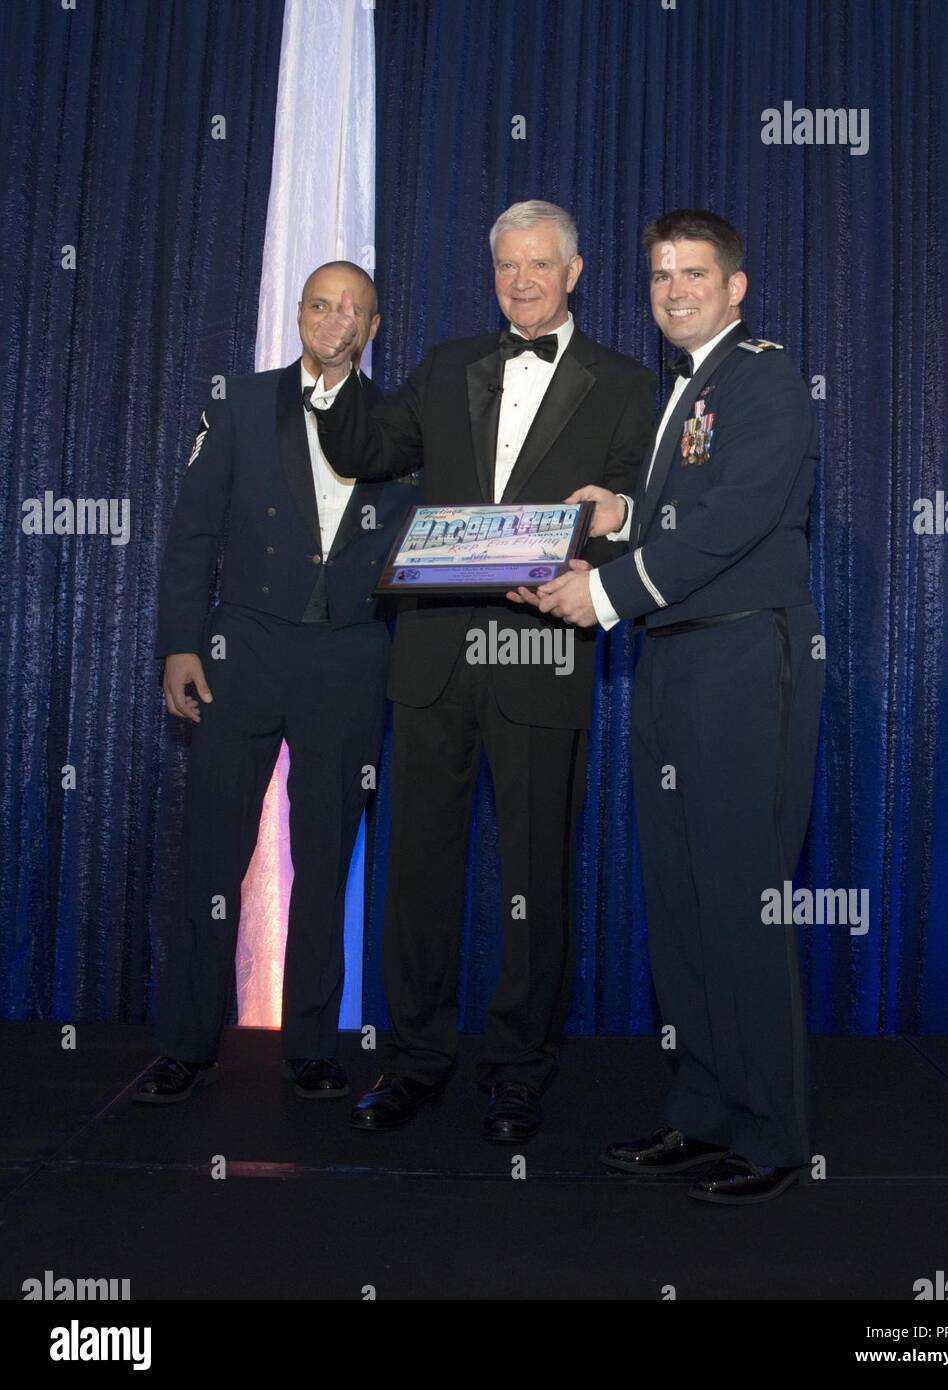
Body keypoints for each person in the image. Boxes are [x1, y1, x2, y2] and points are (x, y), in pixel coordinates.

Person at [310, 201, 654, 1141]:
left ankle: (518, 1069)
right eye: (508, 266)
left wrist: (617, 508)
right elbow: (367, 450)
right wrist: (336, 373)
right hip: (431, 658)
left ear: (575, 272)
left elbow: (643, 500)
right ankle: (415, 1060)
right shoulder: (446, 364)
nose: (524, 281)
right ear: (492, 272)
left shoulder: (627, 383)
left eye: (541, 264)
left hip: (542, 652)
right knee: (417, 871)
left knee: (537, 875)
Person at [517, 210, 823, 1202]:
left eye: (694, 273)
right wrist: (619, 517)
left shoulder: (764, 375)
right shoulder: (677, 393)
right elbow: (686, 513)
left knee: (739, 902)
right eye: (658, 275)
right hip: (671, 661)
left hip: (739, 658)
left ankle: (773, 1136)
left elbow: (736, 517)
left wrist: (602, 592)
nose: (675, 289)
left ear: (735, 287)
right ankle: (701, 1114)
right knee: (681, 906)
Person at [136, 262, 414, 1104]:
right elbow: (191, 536)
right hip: (243, 651)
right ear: (300, 314)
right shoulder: (241, 405)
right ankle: (184, 1043)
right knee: (214, 851)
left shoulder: (402, 425)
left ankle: (310, 1048)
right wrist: (181, 644)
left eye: (353, 310)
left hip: (350, 659)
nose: (335, 320)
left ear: (371, 327)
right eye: (322, 304)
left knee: (326, 861)